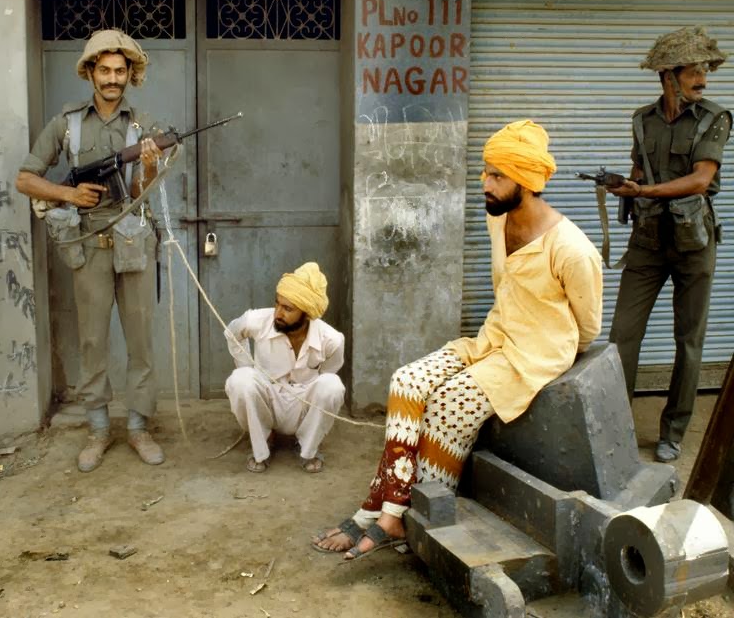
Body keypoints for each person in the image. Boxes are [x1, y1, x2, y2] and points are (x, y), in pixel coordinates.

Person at [313, 120, 602, 560]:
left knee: (448, 405)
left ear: (526, 181)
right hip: (492, 338)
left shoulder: (572, 248)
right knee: (407, 382)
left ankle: (406, 517)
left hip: (535, 356)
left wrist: (546, 351)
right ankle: (385, 506)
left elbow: (588, 328)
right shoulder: (499, 220)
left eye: (497, 175)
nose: (484, 182)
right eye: (485, 171)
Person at [15, 29, 165, 470]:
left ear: (130, 75)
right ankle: (98, 429)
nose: (113, 78)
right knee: (93, 340)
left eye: (121, 70)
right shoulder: (67, 123)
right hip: (89, 247)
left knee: (140, 341)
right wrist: (69, 196)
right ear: (90, 73)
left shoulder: (142, 126)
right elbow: (26, 178)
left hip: (134, 243)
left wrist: (150, 165)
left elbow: (140, 191)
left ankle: (138, 427)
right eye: (104, 70)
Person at [606, 27, 731, 463]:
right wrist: (626, 185)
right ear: (667, 74)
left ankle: (673, 431)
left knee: (689, 340)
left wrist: (643, 193)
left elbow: (700, 180)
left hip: (694, 242)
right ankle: (613, 425)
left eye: (705, 70)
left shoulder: (715, 117)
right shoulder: (643, 119)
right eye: (694, 70)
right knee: (621, 336)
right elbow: (639, 173)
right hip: (647, 240)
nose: (703, 78)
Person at [225, 262, 345, 473]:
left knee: (332, 386)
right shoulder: (257, 320)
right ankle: (263, 442)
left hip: (302, 405)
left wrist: (315, 392)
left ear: (307, 315)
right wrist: (247, 369)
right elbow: (232, 333)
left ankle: (308, 447)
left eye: (287, 308)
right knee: (239, 380)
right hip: (267, 397)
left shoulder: (331, 339)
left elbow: (328, 374)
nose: (277, 313)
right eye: (277, 304)